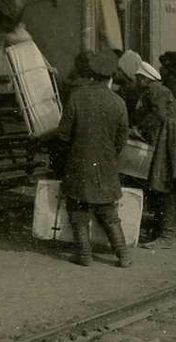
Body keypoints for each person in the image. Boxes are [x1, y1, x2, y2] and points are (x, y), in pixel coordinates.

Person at [55, 50, 132, 268]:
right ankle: (123, 255)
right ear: (110, 76)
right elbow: (122, 138)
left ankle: (85, 255)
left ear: (91, 73)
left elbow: (63, 134)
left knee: (78, 212)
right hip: (106, 165)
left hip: (79, 164)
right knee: (109, 213)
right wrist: (109, 155)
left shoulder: (77, 97)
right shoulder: (118, 102)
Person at [131, 58, 176, 249]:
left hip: (170, 140)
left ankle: (167, 236)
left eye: (138, 78)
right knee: (163, 184)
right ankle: (163, 231)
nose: (136, 81)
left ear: (145, 79)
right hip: (169, 138)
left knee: (166, 185)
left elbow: (158, 117)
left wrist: (139, 130)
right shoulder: (157, 90)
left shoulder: (155, 91)